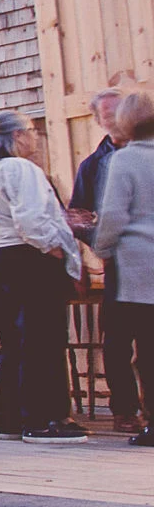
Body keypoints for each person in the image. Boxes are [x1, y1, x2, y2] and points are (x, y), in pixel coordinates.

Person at [0, 111, 86, 444]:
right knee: (44, 336)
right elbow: (32, 218)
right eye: (31, 131)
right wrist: (53, 248)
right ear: (17, 136)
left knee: (12, 339)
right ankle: (43, 418)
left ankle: (8, 418)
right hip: (25, 256)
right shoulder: (21, 168)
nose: (35, 137)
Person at [71, 86, 143, 433]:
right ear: (99, 120)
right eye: (108, 113)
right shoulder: (93, 165)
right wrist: (99, 241)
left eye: (121, 110)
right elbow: (78, 216)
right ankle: (124, 410)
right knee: (116, 342)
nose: (115, 117)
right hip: (117, 265)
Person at [92, 90, 154, 448]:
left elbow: (114, 215)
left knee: (145, 350)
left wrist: (101, 246)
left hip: (138, 264)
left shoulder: (126, 161)